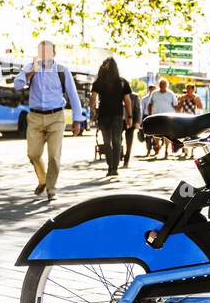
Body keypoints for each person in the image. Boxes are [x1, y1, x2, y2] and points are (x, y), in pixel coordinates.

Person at [13, 40, 83, 203]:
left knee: (54, 156)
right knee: (33, 154)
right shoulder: (30, 67)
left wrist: (77, 120)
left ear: (54, 53)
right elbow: (17, 85)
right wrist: (31, 73)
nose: (44, 55)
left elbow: (73, 95)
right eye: (41, 52)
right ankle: (43, 180)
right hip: (35, 117)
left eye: (47, 52)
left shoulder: (62, 70)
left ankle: (51, 189)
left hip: (56, 117)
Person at [89, 57, 133, 178]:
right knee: (116, 140)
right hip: (117, 116)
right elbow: (127, 100)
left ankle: (110, 166)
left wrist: (92, 109)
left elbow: (93, 97)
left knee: (107, 142)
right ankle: (115, 167)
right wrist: (129, 116)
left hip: (103, 115)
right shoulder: (122, 82)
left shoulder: (99, 82)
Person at [145, 78, 176, 159]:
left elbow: (175, 105)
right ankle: (158, 146)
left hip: (168, 118)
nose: (162, 86)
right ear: (159, 85)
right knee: (155, 133)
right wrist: (149, 115)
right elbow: (149, 104)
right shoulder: (154, 93)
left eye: (164, 84)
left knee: (167, 134)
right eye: (161, 84)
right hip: (156, 116)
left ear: (167, 85)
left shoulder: (171, 93)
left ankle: (166, 151)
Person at [122, 85, 142, 166]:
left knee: (129, 142)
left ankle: (126, 159)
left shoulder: (134, 96)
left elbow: (137, 109)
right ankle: (119, 155)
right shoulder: (117, 95)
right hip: (118, 121)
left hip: (130, 121)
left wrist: (137, 122)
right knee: (117, 140)